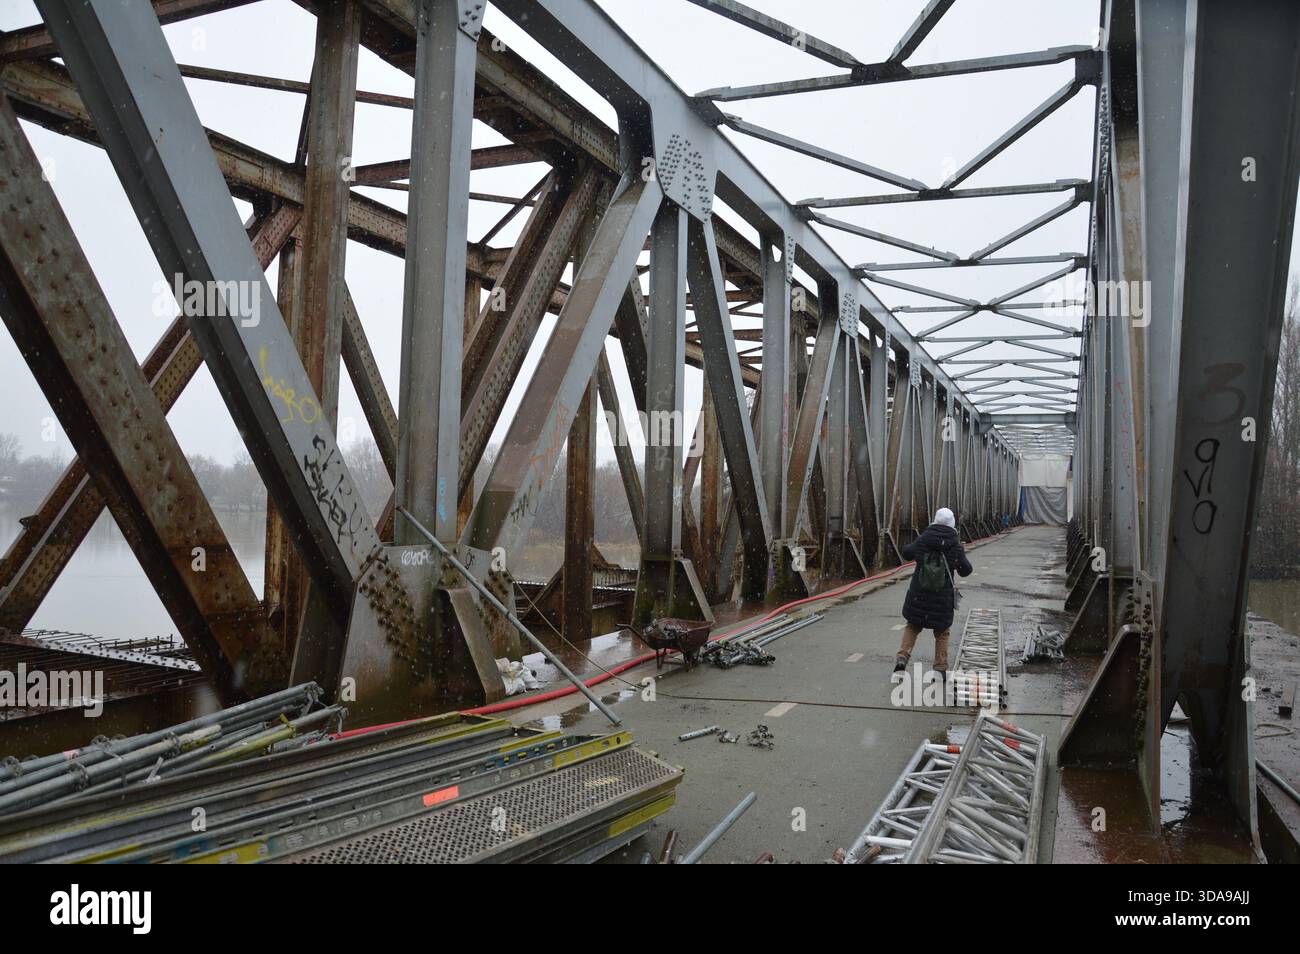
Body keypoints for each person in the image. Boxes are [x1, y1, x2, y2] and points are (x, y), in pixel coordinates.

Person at [893, 507, 972, 674]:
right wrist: (956, 558)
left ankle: (902, 657)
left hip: (919, 595)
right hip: (941, 598)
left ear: (935, 520)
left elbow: (907, 553)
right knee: (942, 632)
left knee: (913, 626)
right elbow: (966, 570)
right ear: (952, 524)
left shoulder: (923, 540)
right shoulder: (955, 545)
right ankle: (940, 668)